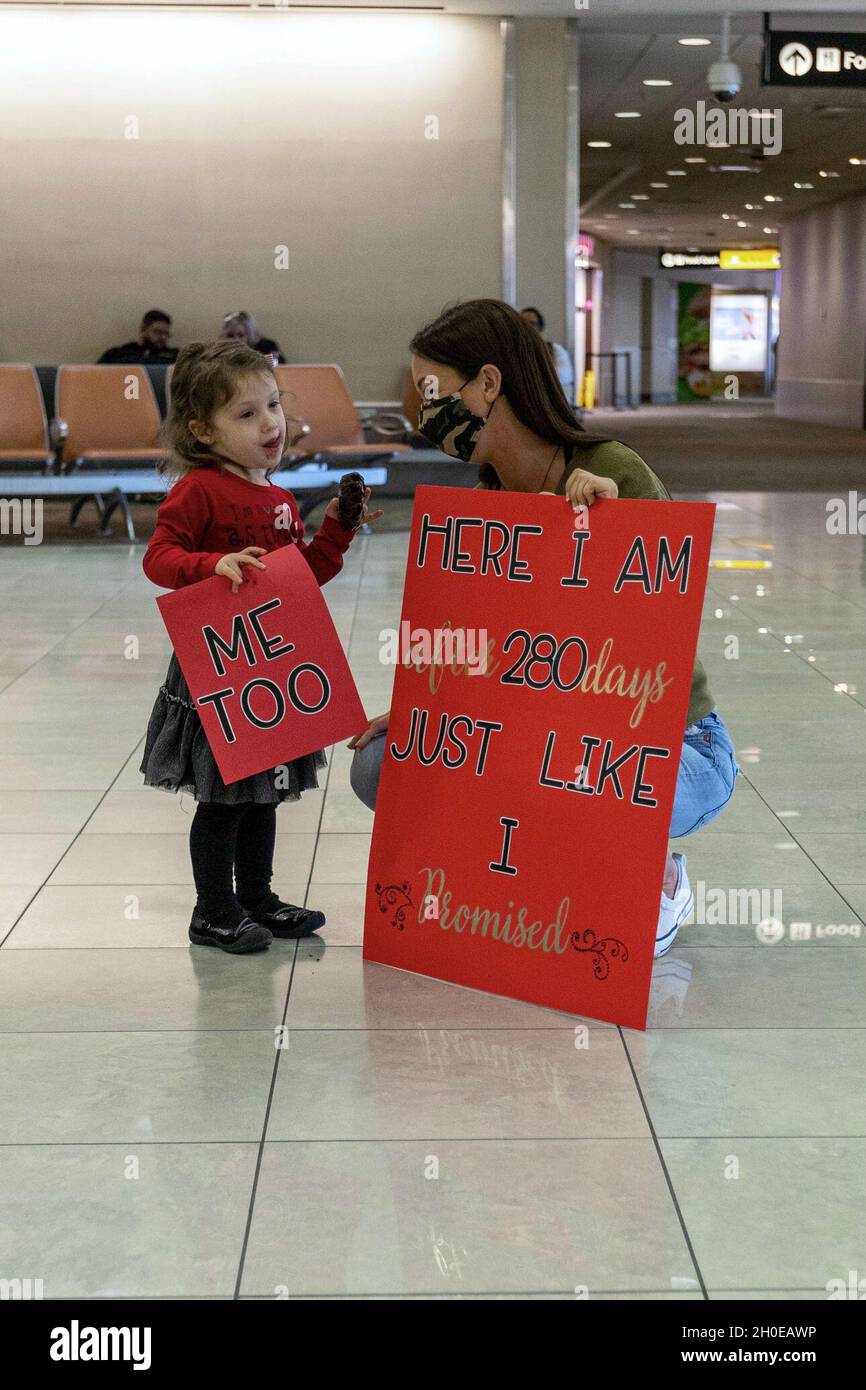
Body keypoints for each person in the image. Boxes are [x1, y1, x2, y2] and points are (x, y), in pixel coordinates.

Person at [348, 298, 739, 959]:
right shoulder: (484, 508)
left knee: (566, 780)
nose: (423, 415)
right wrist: (427, 713)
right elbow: (482, 651)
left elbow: (661, 627)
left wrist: (607, 530)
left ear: (489, 384)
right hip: (534, 737)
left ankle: (659, 874)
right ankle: (527, 862)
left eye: (433, 393)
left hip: (668, 744)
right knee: (379, 767)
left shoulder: (614, 470)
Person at [140, 340, 381, 955]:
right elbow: (159, 558)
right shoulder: (199, 490)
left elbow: (303, 576)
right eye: (246, 414)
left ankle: (257, 898)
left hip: (268, 665)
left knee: (264, 793)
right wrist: (210, 564)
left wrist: (338, 528)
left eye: (273, 405)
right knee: (223, 800)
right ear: (202, 430)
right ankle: (212, 911)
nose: (270, 423)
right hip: (217, 668)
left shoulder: (278, 498)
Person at [520, 305, 575, 406]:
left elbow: (564, 377)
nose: (527, 326)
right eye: (523, 323)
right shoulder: (511, 352)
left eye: (532, 323)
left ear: (540, 328)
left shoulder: (555, 350)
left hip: (552, 406)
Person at [98, 309, 179, 365]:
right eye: (158, 332)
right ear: (143, 329)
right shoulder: (117, 354)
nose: (163, 337)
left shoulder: (176, 356)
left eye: (166, 334)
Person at [220, 311, 285, 365]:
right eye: (230, 336)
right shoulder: (221, 351)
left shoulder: (267, 347)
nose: (236, 340)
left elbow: (280, 367)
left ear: (249, 335)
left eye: (241, 335)